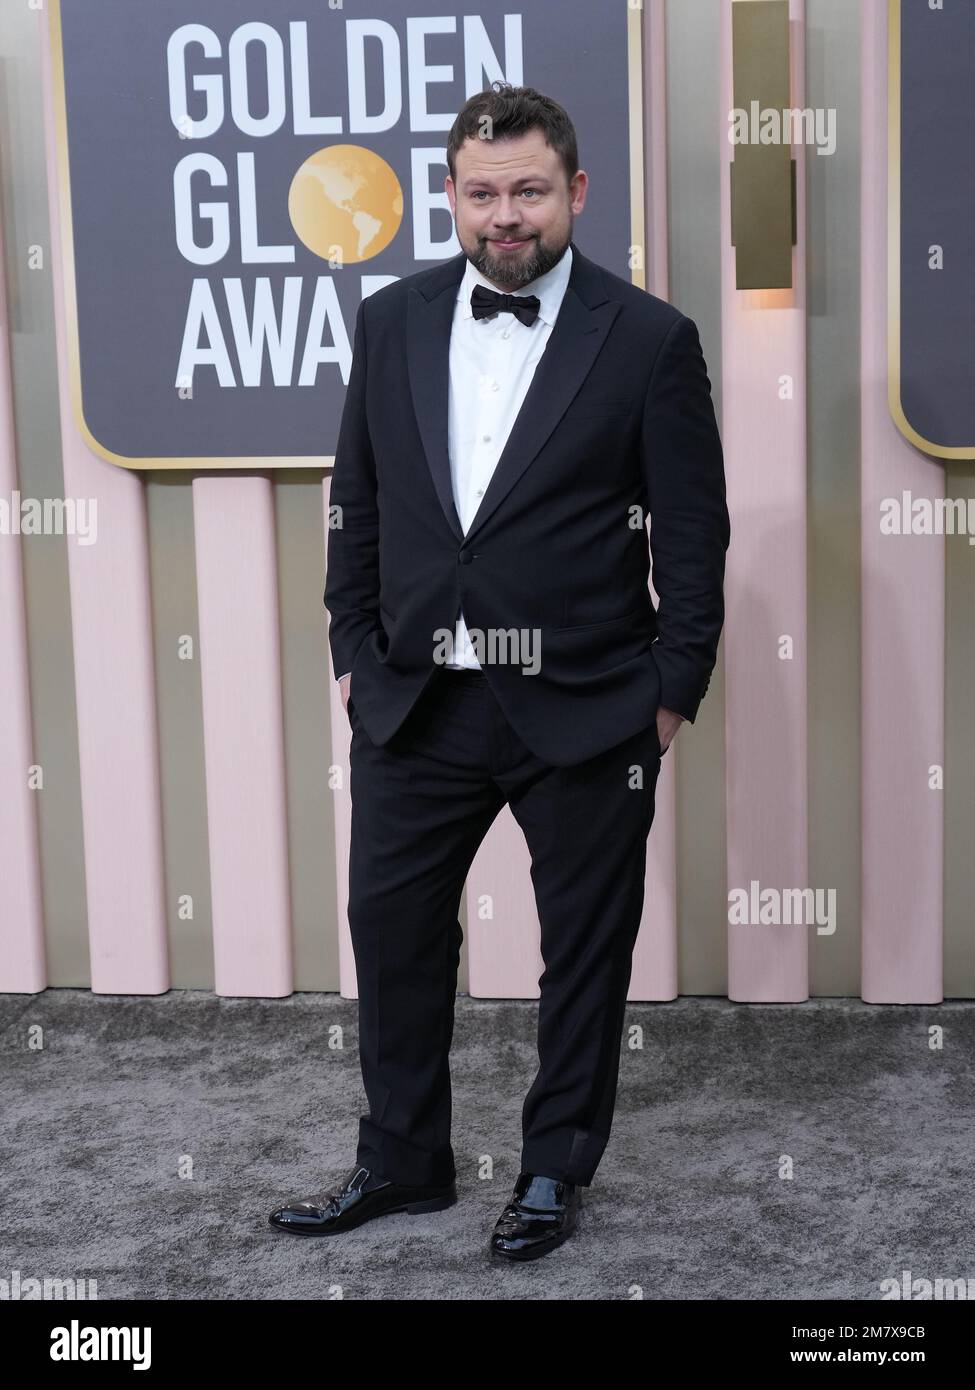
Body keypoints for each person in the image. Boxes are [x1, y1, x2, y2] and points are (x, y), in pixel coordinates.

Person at [269, 83, 730, 1262]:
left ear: (575, 193)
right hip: (417, 695)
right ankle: (403, 1160)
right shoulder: (392, 321)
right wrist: (350, 652)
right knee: (394, 931)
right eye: (482, 194)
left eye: (529, 191)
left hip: (587, 705)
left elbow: (693, 531)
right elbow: (356, 504)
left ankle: (550, 1169)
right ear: (450, 197)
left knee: (582, 947)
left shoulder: (648, 339)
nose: (505, 216)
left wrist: (669, 695)